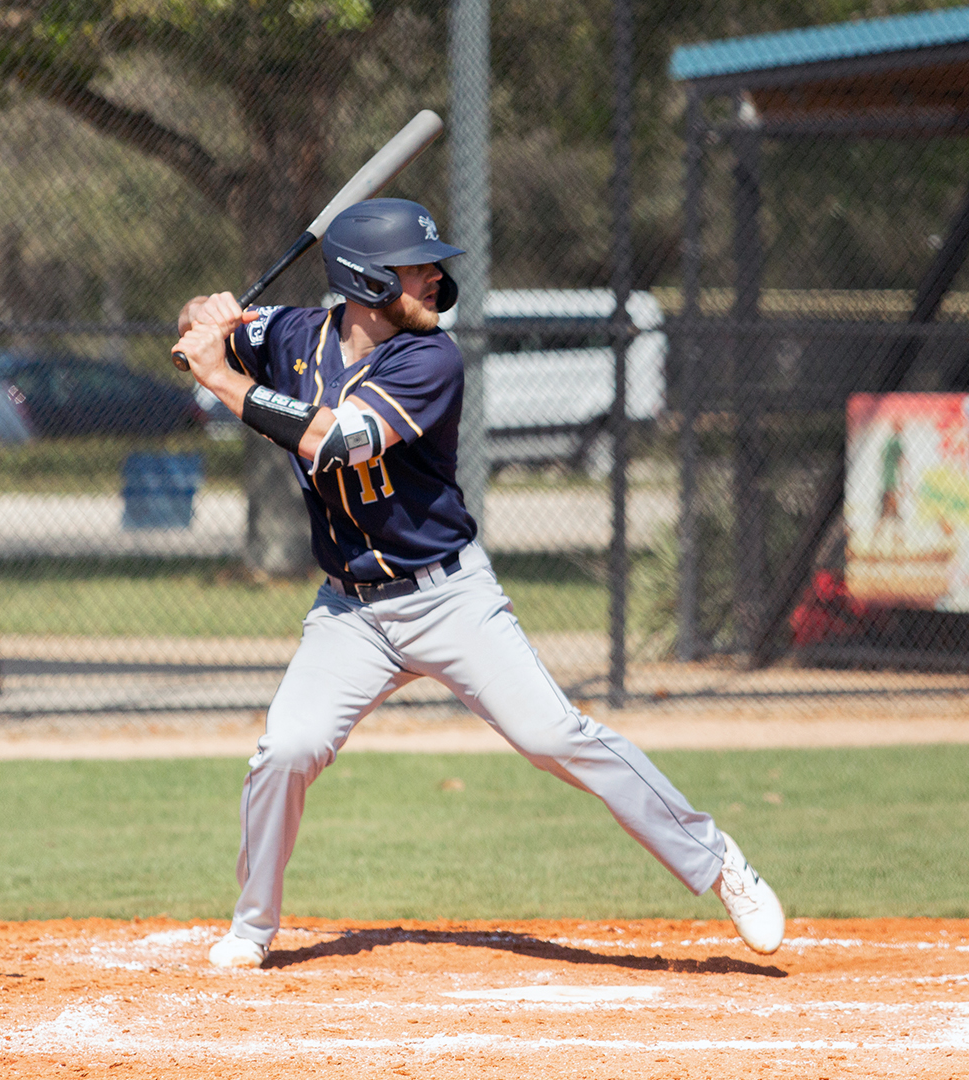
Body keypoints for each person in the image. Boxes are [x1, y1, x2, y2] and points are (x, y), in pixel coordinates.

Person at [170, 198, 786, 970]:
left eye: (433, 264)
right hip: (350, 612)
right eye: (417, 267)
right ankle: (251, 929)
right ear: (364, 280)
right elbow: (209, 317)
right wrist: (212, 316)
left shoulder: (430, 360)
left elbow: (338, 443)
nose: (435, 277)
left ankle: (717, 858)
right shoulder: (294, 335)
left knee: (555, 736)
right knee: (285, 750)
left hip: (447, 599)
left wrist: (222, 378)